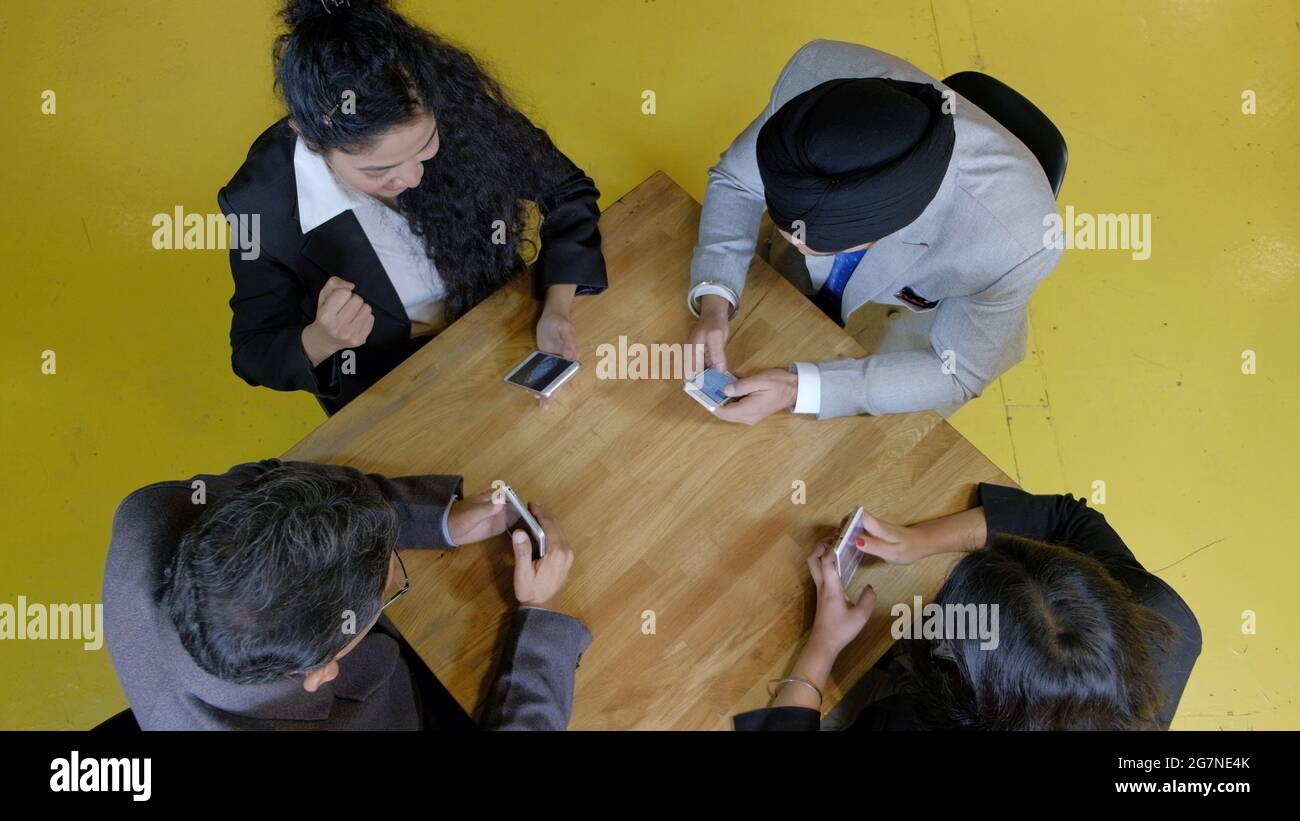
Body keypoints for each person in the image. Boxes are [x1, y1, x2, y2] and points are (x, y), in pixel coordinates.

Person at [219, 0, 606, 414]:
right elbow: (253, 352)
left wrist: (556, 308)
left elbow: (567, 191)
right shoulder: (260, 205)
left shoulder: (451, 104)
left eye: (425, 148)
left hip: (506, 321)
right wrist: (322, 339)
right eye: (379, 171)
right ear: (311, 141)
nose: (412, 178)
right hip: (392, 390)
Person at [686, 40, 1062, 423]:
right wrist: (716, 297)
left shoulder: (1015, 247)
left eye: (814, 242)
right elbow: (737, 183)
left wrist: (799, 389)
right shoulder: (813, 79)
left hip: (926, 321)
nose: (795, 243)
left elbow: (956, 370)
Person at [103, 460, 588, 730]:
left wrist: (436, 520)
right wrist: (538, 618)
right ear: (321, 672)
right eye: (390, 585)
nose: (392, 565)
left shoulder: (152, 514)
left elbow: (270, 481)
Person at [734, 484, 1201, 730]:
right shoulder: (1160, 612)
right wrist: (919, 541)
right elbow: (1069, 518)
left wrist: (822, 646)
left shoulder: (907, 725)